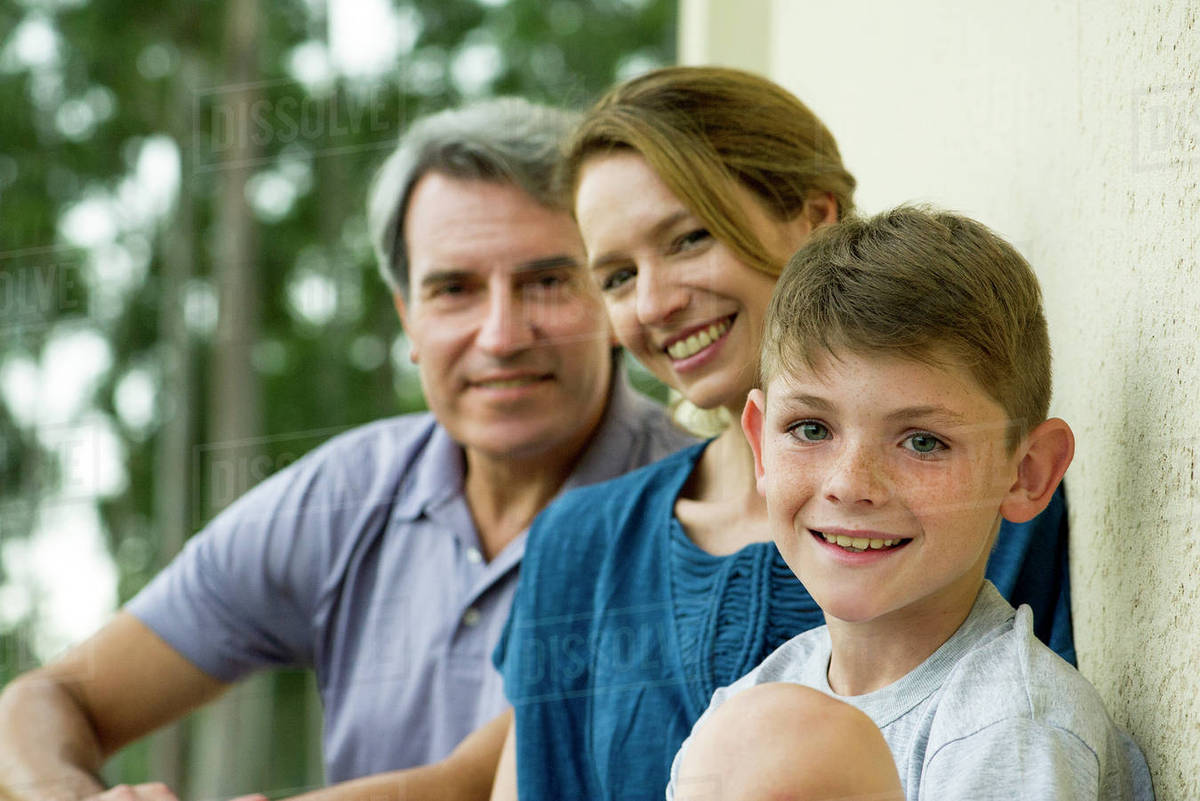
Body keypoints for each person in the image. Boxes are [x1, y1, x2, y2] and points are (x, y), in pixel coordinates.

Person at [0, 98, 694, 801]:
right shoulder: (345, 493)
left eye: (547, 281)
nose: (502, 336)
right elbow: (47, 698)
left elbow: (477, 786)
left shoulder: (705, 508)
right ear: (408, 319)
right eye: (453, 289)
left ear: (613, 295)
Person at [489, 67, 1074, 801]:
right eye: (613, 275)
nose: (653, 302)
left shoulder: (976, 502)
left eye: (689, 237)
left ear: (815, 218)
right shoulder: (578, 545)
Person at [668, 206, 1154, 801]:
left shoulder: (1012, 727)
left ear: (1027, 473)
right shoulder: (745, 713)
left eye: (923, 441)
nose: (850, 484)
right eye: (811, 429)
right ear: (760, 447)